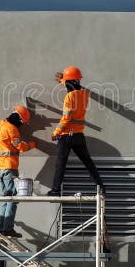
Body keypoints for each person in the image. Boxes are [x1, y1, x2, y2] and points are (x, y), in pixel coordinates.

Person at [46, 66, 107, 196]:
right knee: (88, 162)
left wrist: (56, 132)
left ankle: (56, 190)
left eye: (65, 83)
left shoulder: (69, 97)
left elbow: (66, 117)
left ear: (69, 83)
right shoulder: (85, 95)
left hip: (66, 136)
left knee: (60, 164)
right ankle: (101, 187)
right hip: (79, 135)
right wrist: (64, 78)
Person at [0, 105, 36, 238]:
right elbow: (21, 147)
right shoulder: (12, 129)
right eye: (22, 122)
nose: (22, 125)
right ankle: (8, 229)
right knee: (13, 198)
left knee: (6, 199)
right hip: (10, 168)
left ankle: (2, 228)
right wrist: (32, 144)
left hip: (1, 168)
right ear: (18, 118)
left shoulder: (0, 124)